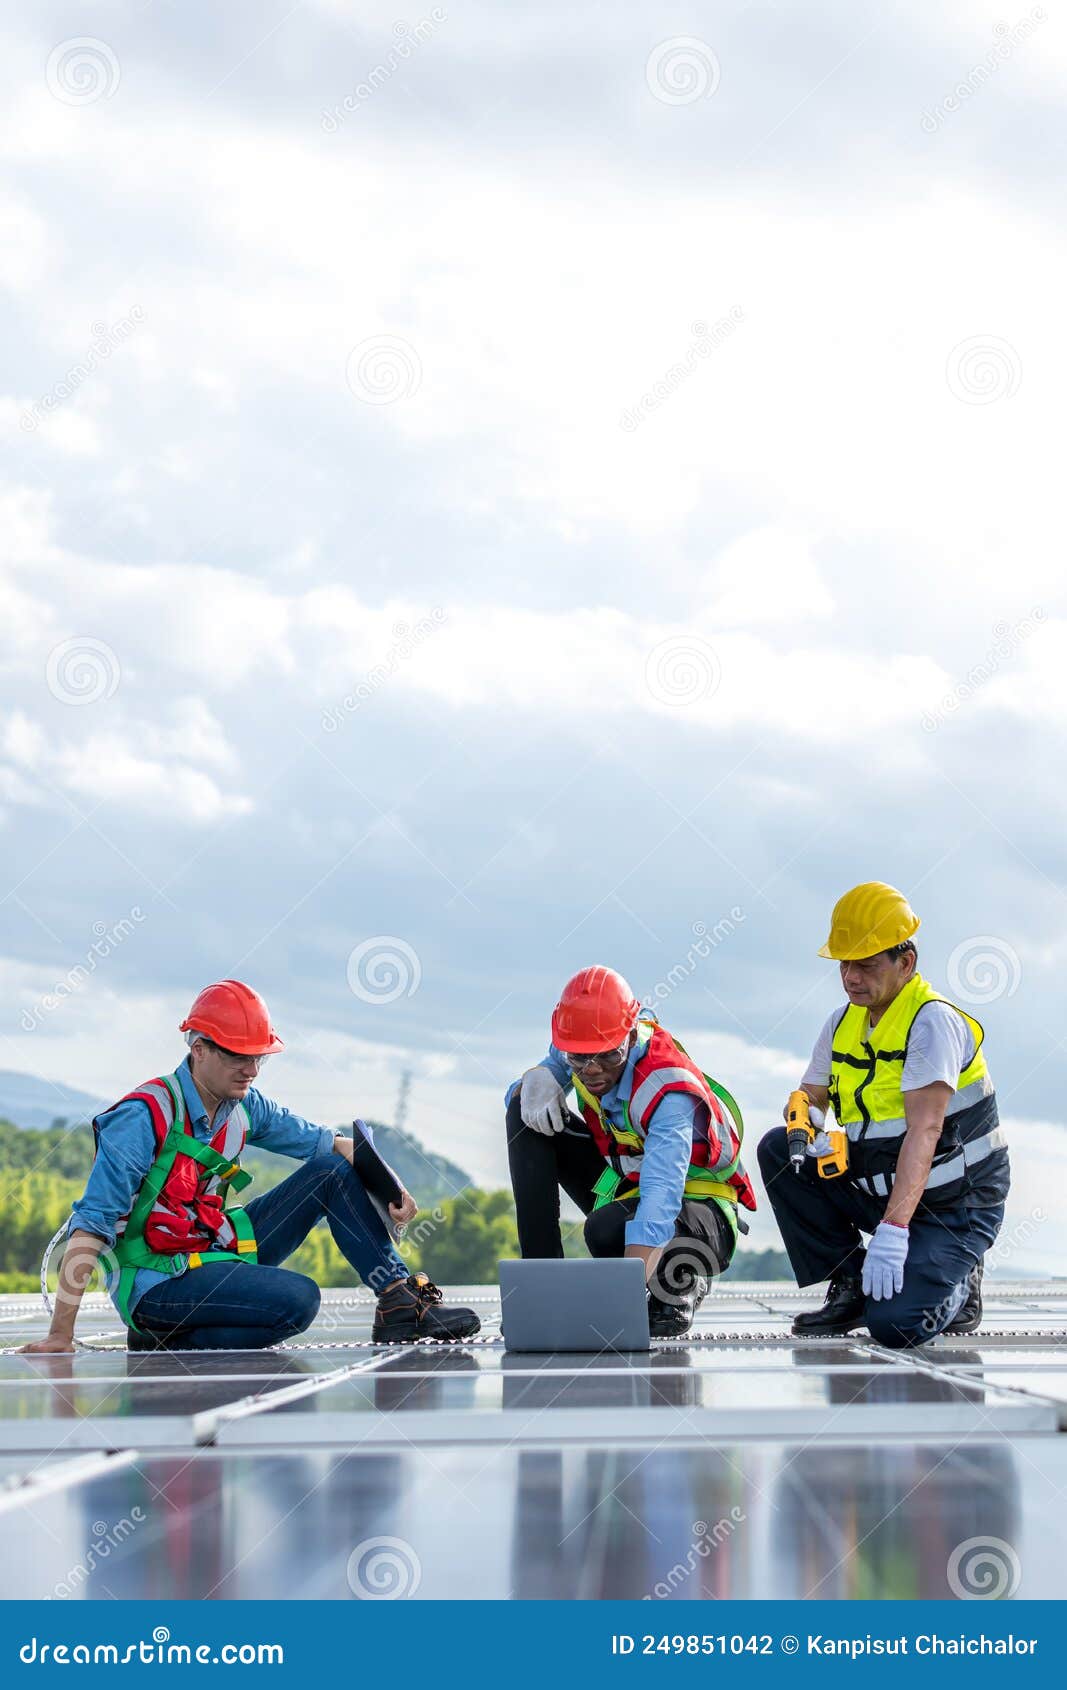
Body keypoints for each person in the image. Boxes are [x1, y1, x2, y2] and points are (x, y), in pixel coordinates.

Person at [18, 979, 479, 1353]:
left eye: (257, 1056)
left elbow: (333, 1146)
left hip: (210, 1248)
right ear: (198, 1048)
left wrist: (390, 1187)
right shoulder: (142, 1117)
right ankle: (163, 1335)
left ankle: (398, 1300)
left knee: (329, 1171)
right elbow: (92, 1225)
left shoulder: (244, 1106)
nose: (251, 1069)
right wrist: (61, 1334)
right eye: (237, 1055)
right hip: (156, 1282)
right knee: (297, 1301)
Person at [757, 882, 1010, 1347]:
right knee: (778, 1147)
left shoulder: (930, 1022)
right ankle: (850, 1282)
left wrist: (892, 1233)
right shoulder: (841, 1022)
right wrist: (804, 1116)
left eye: (866, 965)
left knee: (896, 1326)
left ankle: (961, 1281)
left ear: (905, 962)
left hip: (955, 1203)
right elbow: (811, 1093)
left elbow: (926, 1129)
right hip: (885, 1184)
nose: (852, 976)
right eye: (844, 964)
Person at [506, 965, 756, 1337]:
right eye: (578, 1058)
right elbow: (554, 1072)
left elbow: (660, 1195)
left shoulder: (667, 1088)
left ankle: (682, 1279)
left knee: (606, 1232)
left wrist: (621, 1298)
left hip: (701, 1209)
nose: (591, 1070)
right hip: (629, 1188)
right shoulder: (580, 1044)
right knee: (524, 1111)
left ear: (630, 1032)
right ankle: (544, 1278)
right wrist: (536, 1078)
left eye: (607, 1056)